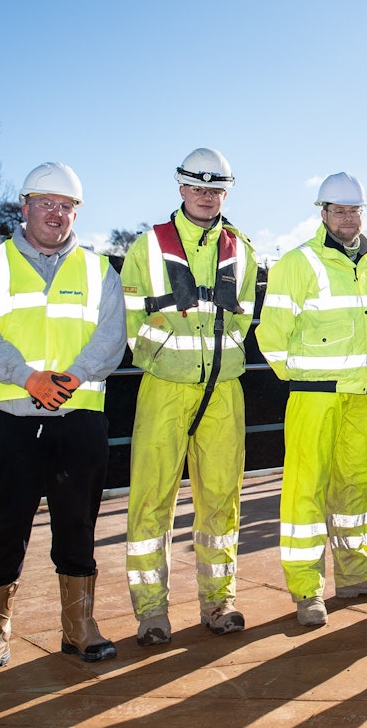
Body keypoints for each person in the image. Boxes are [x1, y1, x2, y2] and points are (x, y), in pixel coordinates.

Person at [0, 162, 125, 681]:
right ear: (24, 206)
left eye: (67, 205)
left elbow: (111, 336)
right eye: (46, 203)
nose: (57, 213)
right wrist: (28, 378)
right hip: (10, 417)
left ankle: (80, 630)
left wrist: (71, 377)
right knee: (5, 527)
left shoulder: (99, 271)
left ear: (77, 213)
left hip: (78, 418)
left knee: (77, 526)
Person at [121, 148, 260, 645]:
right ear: (181, 189)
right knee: (151, 501)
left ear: (226, 193)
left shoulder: (242, 249)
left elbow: (242, 316)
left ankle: (219, 602)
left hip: (223, 391)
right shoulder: (148, 246)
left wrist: (224, 356)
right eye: (198, 188)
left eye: (215, 189)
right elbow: (129, 317)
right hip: (164, 390)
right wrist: (161, 357)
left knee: (222, 501)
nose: (206, 197)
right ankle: (152, 612)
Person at [256, 172, 367, 626]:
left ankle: (355, 573)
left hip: (364, 395)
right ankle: (306, 590)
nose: (347, 218)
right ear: (323, 214)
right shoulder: (299, 263)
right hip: (316, 398)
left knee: (359, 488)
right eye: (338, 210)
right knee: (306, 493)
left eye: (354, 210)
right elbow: (271, 335)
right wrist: (306, 377)